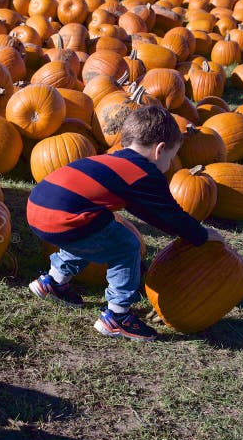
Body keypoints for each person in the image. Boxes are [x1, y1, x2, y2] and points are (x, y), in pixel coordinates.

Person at [26, 105, 224, 341]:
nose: (170, 165)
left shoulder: (115, 161)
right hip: (65, 216)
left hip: (37, 209)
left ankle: (53, 282)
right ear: (160, 150)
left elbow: (142, 209)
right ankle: (117, 316)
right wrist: (202, 235)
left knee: (98, 229)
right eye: (171, 158)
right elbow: (169, 216)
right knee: (125, 245)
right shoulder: (144, 173)